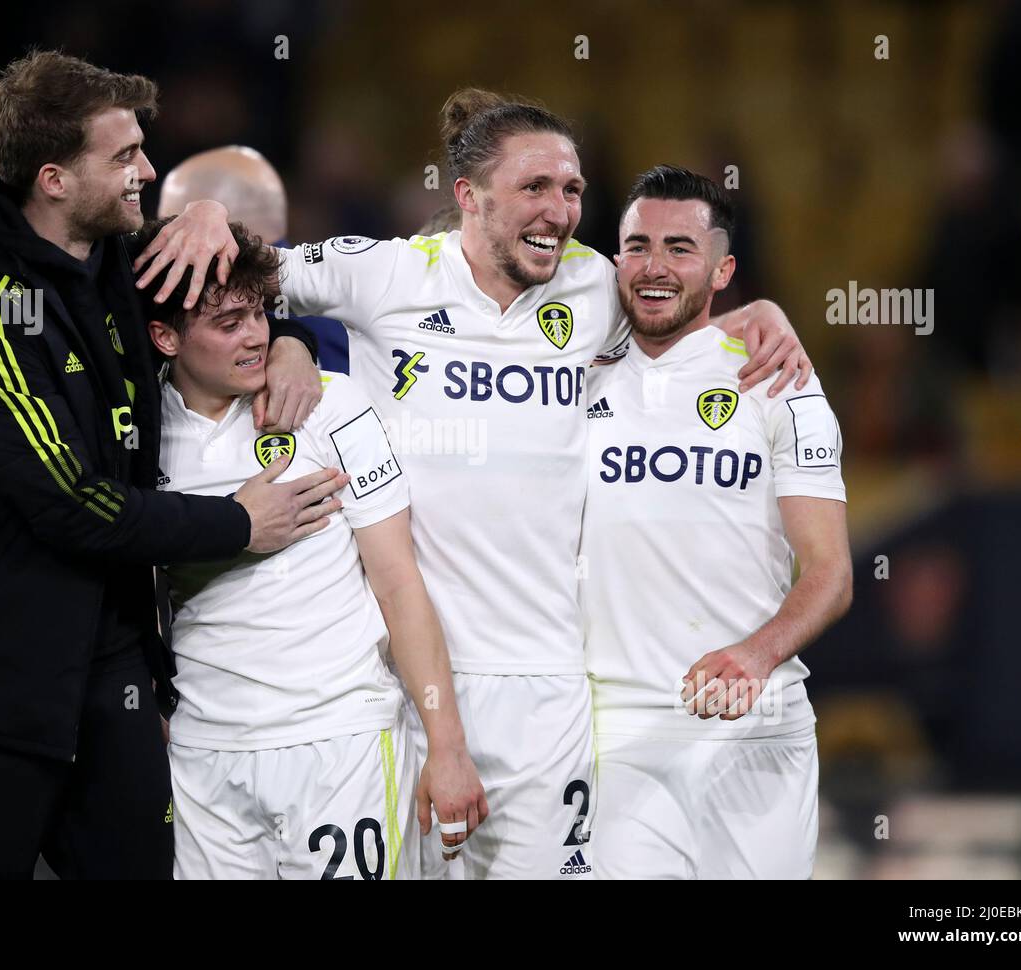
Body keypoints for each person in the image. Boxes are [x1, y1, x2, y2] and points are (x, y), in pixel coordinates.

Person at [188, 89, 813, 878]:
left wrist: (756, 312)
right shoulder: (381, 274)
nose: (560, 210)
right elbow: (239, 286)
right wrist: (280, 330)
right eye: (535, 189)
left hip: (549, 690)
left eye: (573, 190)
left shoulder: (596, 286)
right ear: (469, 198)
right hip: (399, 686)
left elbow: (679, 317)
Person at [0, 51, 337, 880]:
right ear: (54, 179)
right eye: (125, 156)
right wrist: (239, 523)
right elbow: (72, 506)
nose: (148, 170)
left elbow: (237, 310)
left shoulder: (118, 254)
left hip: (108, 669)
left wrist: (292, 344)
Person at [146, 222, 486, 878]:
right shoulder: (139, 433)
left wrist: (446, 745)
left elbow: (397, 582)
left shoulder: (332, 406)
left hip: (338, 740)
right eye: (226, 322)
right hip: (202, 752)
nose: (253, 336)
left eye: (259, 315)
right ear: (165, 337)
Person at [581, 166, 852, 878]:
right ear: (615, 260)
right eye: (637, 246)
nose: (654, 266)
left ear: (723, 267)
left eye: (680, 248)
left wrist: (756, 657)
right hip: (617, 734)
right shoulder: (570, 379)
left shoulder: (780, 383)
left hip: (754, 730)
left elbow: (831, 574)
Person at [158, 145, 351, 374]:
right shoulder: (347, 299)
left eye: (176, 224)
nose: (165, 237)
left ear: (219, 223)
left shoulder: (221, 315)